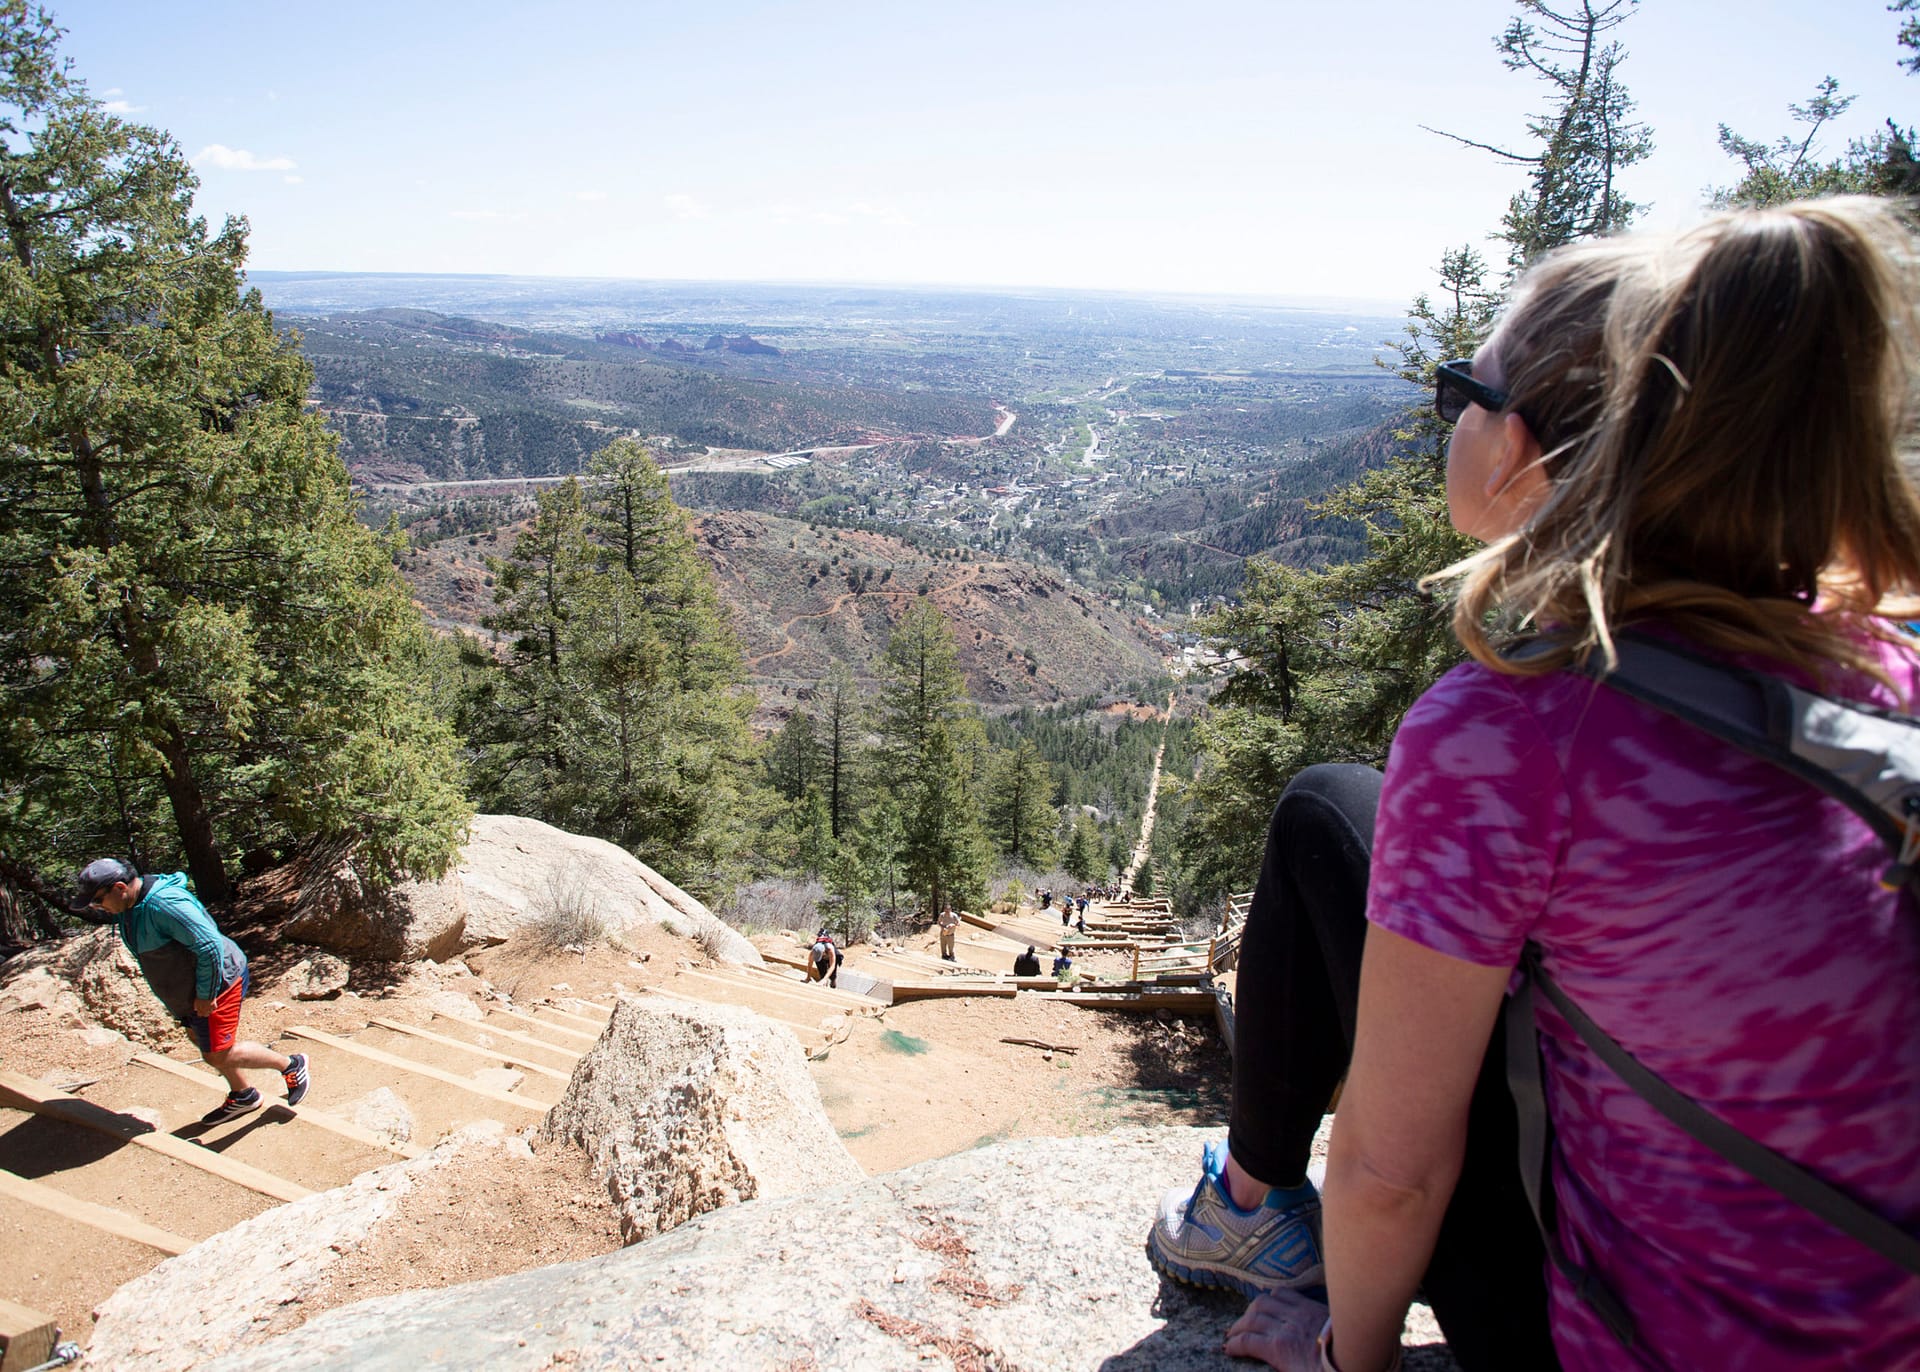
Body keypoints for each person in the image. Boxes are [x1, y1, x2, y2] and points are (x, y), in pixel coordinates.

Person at [1146, 198, 1920, 1372]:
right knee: (1334, 809)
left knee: (1318, 810)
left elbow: (1393, 1169)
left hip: (1626, 1337)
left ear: (1521, 450)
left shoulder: (1521, 737)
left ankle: (1249, 1212)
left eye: (1466, 391)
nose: (1451, 416)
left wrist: (1348, 1356)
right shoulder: (1885, 667)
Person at [70, 858, 310, 1122]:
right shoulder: (131, 903)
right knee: (199, 1037)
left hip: (219, 984)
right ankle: (243, 1095)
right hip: (191, 991)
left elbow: (208, 945)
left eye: (98, 900)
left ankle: (291, 1065)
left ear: (119, 888)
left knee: (218, 1053)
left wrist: (206, 995)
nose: (98, 907)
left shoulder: (165, 904)